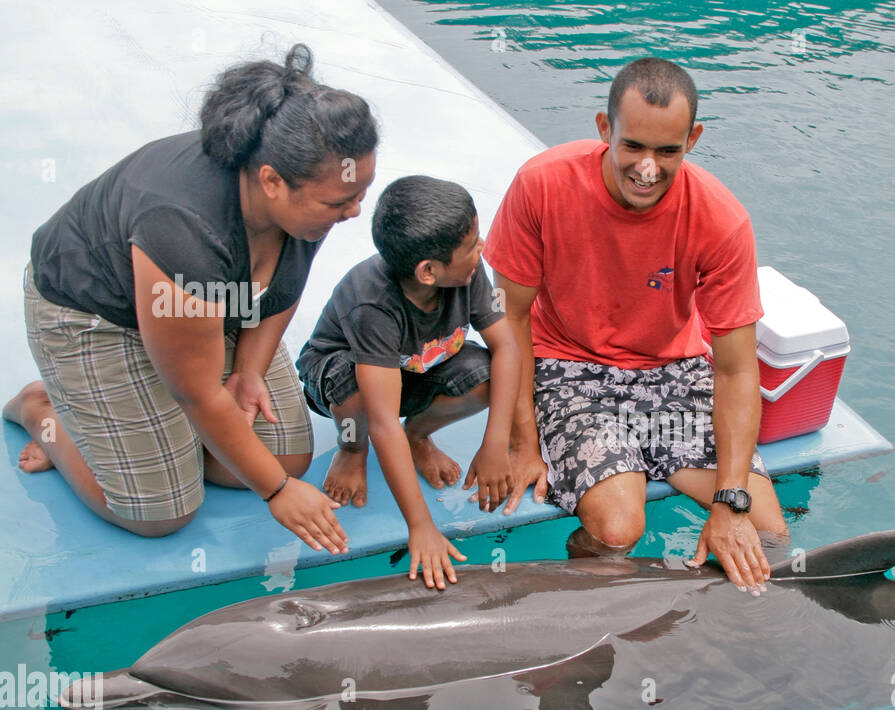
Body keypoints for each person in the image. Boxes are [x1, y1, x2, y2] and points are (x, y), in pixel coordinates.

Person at [4, 44, 377, 554]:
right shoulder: (184, 228)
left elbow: (282, 288)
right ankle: (44, 412)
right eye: (341, 202)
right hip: (95, 314)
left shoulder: (317, 190)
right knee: (161, 511)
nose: (355, 210)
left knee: (284, 453)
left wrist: (249, 369)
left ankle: (136, 431)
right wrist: (278, 492)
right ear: (271, 181)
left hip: (203, 309)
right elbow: (197, 393)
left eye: (359, 193)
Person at [484, 57, 789, 593]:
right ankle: (581, 610)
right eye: (634, 147)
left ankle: (653, 459)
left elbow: (738, 371)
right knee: (619, 530)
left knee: (767, 536)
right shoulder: (542, 184)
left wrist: (731, 499)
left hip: (674, 373)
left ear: (692, 139)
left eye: (668, 151)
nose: (648, 168)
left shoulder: (722, 219)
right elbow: (509, 317)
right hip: (569, 366)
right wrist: (522, 440)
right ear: (605, 130)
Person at [296, 176, 520, 589]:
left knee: (486, 374)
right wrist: (421, 526)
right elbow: (381, 420)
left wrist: (495, 444)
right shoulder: (373, 304)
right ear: (428, 271)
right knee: (356, 391)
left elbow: (507, 349)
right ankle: (350, 447)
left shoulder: (468, 274)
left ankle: (417, 435)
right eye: (472, 244)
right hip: (346, 379)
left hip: (414, 367)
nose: (482, 247)